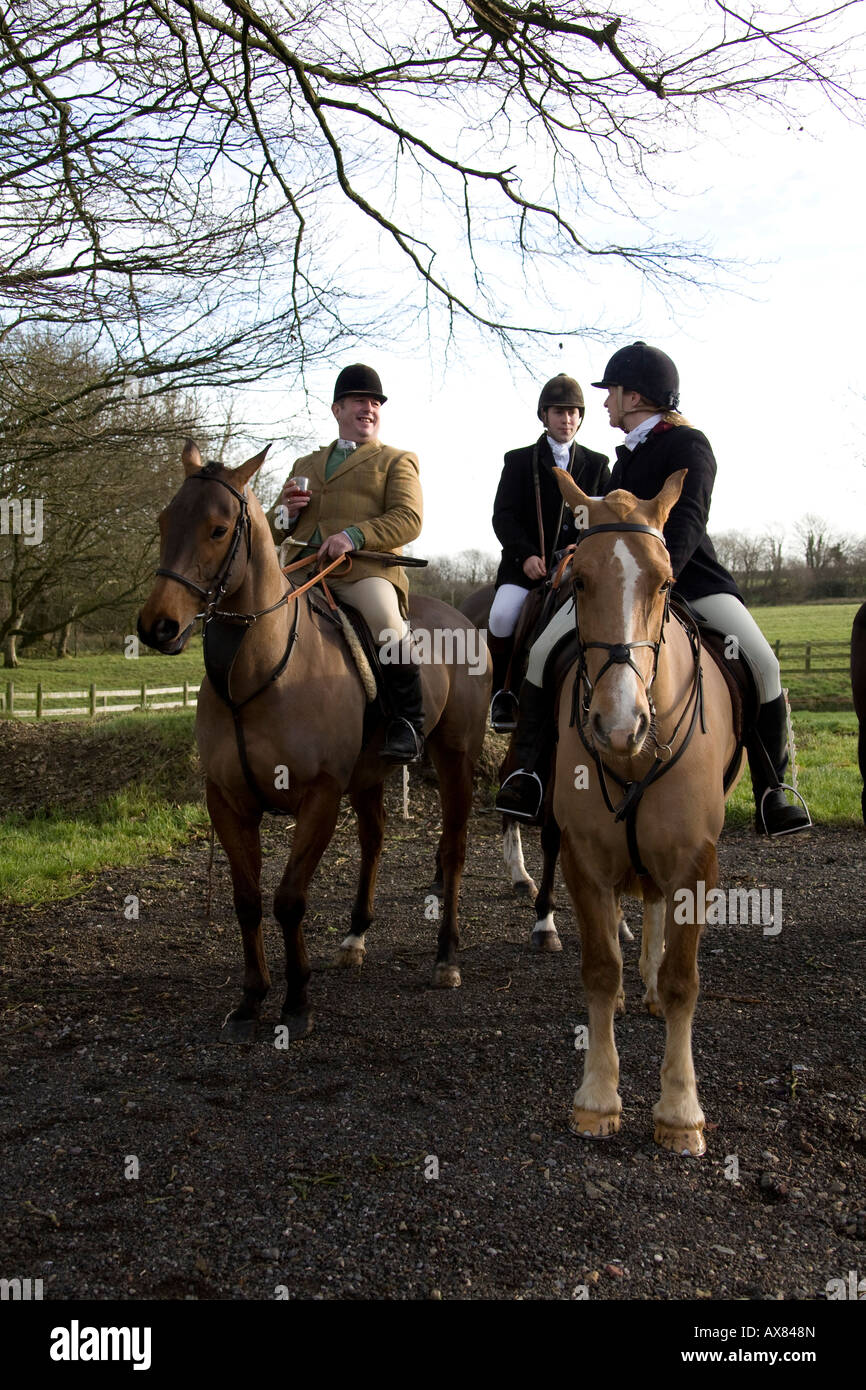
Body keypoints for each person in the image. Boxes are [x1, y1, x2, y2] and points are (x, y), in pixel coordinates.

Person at [497, 341, 811, 837]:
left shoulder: (689, 446)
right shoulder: (624, 459)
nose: (603, 404)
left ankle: (774, 789)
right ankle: (529, 773)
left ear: (635, 395)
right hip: (620, 590)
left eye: (610, 393)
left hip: (692, 579)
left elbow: (687, 521)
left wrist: (662, 578)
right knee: (539, 654)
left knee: (763, 663)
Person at [268, 363, 425, 763]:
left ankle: (407, 721)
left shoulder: (396, 460)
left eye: (375, 402)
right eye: (359, 401)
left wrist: (352, 536)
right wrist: (284, 513)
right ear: (337, 408)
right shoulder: (305, 464)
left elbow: (409, 519)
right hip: (301, 570)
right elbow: (272, 529)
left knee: (387, 625)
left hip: (362, 572)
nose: (369, 408)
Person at [488, 373, 609, 731]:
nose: (567, 419)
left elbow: (603, 517)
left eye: (573, 412)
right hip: (526, 566)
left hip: (579, 564)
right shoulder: (519, 461)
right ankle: (503, 693)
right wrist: (525, 555)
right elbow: (503, 517)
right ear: (544, 415)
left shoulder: (598, 465)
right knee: (501, 616)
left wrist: (583, 547)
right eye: (559, 412)